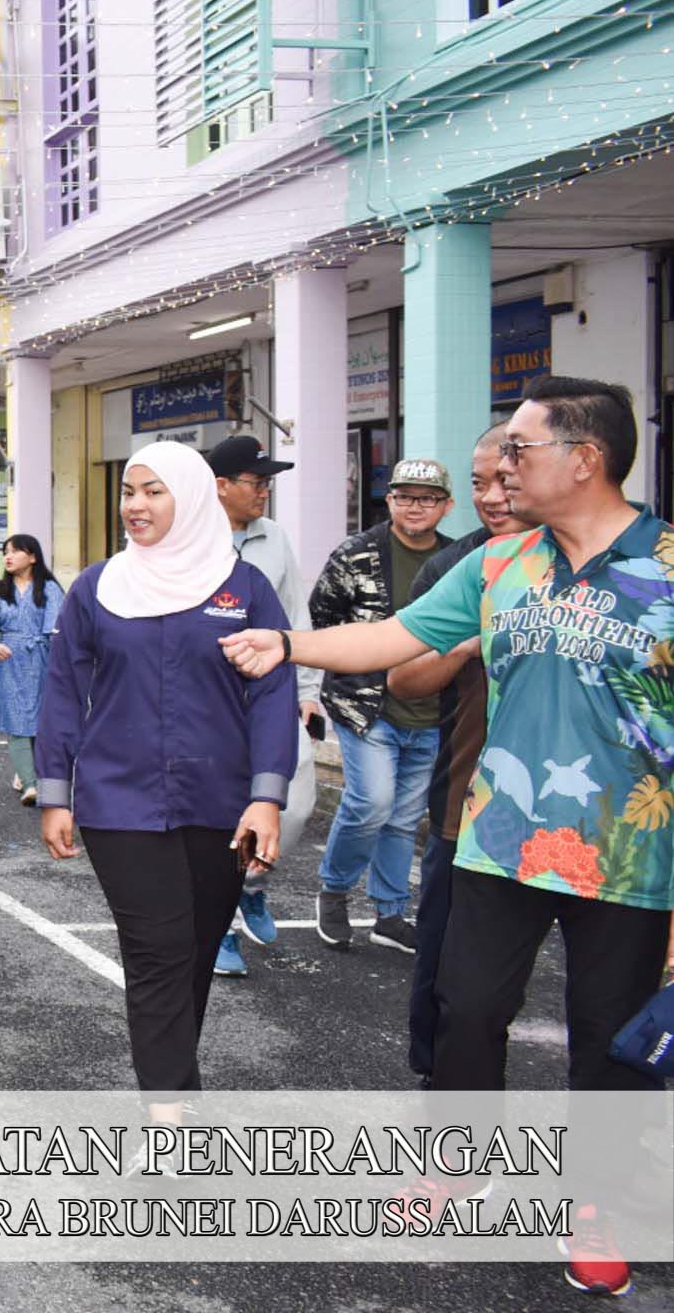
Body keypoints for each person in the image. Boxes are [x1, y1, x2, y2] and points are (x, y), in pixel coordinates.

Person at [221, 377, 673, 1300]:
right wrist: (287, 645)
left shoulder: (668, 565)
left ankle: (597, 1207)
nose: (503, 467)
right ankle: (461, 1168)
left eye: (521, 448)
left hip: (632, 857)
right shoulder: (502, 563)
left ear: (583, 459)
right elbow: (391, 637)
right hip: (498, 841)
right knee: (464, 1011)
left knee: (606, 1039)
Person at [37, 442, 295, 1124]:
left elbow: (273, 696)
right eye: (128, 491)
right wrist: (55, 790)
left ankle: (171, 1084)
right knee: (158, 950)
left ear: (190, 496)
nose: (135, 506)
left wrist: (267, 794)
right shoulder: (98, 588)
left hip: (223, 803)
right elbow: (64, 689)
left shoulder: (246, 589)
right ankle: (170, 1116)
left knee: (195, 952)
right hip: (117, 800)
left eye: (153, 491)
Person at [380, 426, 525, 1081]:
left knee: (607, 1010)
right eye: (478, 483)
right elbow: (400, 673)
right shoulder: (457, 569)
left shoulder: (620, 565)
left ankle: (607, 1169)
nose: (492, 497)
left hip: (589, 826)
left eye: (506, 479)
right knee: (452, 991)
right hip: (463, 812)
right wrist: (467, 643)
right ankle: (446, 1116)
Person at [308, 456, 455, 954]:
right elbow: (324, 616)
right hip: (366, 705)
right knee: (372, 803)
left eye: (428, 498)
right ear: (389, 500)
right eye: (406, 496)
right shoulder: (357, 553)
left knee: (404, 816)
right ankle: (333, 890)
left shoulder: (461, 559)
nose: (417, 507)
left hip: (433, 712)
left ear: (446, 505)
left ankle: (389, 914)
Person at [204, 434, 326, 979]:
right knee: (223, 812)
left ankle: (252, 884)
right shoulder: (189, 537)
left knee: (295, 800)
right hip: (212, 699)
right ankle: (223, 923)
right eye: (257, 482)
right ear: (221, 486)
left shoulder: (273, 537)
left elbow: (296, 615)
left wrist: (308, 692)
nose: (265, 493)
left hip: (272, 689)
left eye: (268, 483)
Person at [0, 533, 64, 809]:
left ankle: (29, 773)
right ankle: (31, 785)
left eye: (15, 551)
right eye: (5, 551)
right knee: (18, 723)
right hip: (7, 661)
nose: (7, 556)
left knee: (41, 723)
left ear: (32, 557)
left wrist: (60, 668)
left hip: (41, 659)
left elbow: (56, 630)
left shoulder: (50, 589)